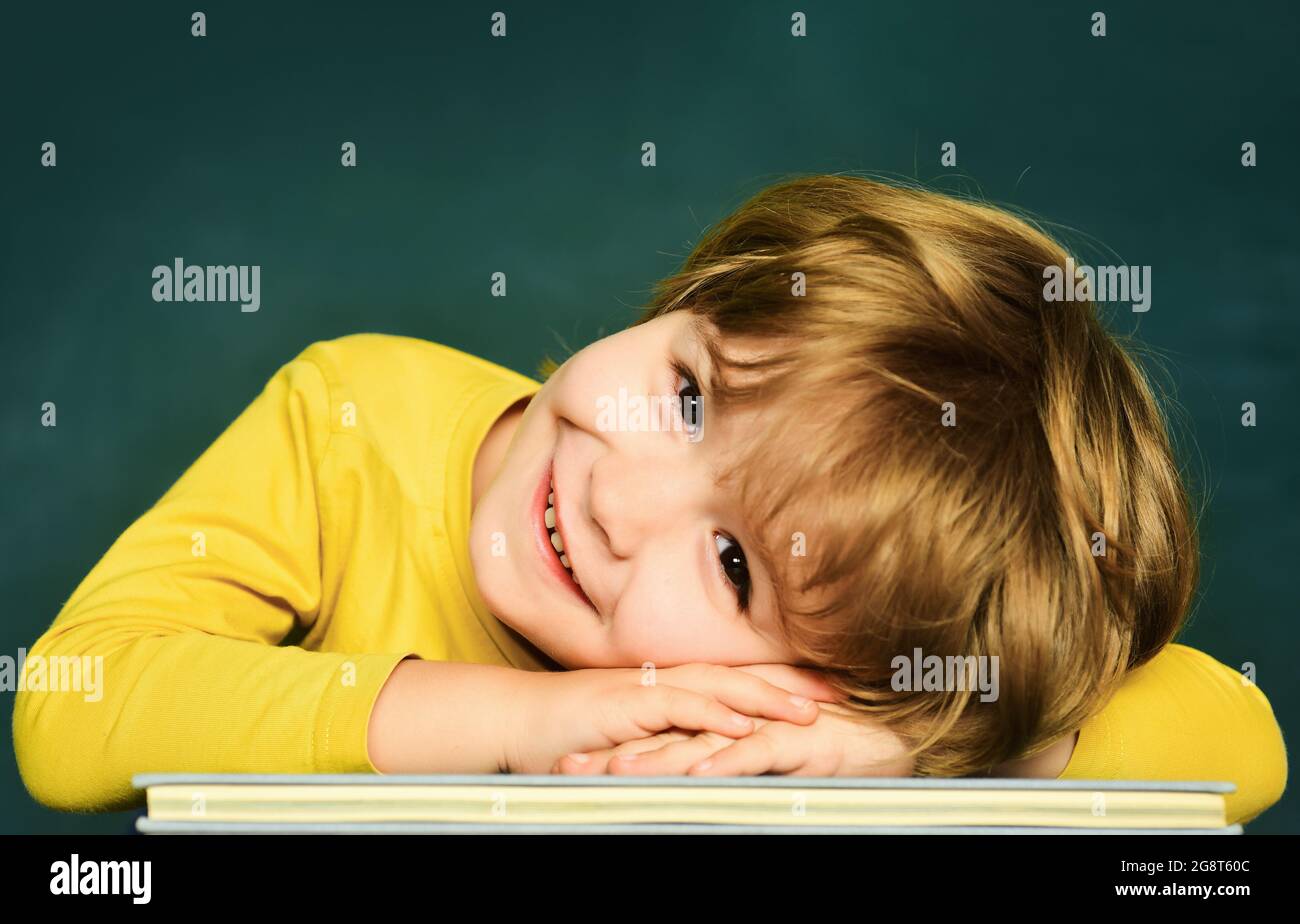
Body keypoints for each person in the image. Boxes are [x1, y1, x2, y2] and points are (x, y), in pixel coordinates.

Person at [14, 175, 1286, 827]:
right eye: (686, 397)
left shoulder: (837, 719)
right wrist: (525, 720)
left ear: (819, 679)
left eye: (734, 565)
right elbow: (76, 708)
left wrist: (910, 745)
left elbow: (1244, 742)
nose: (621, 495)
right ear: (695, 294)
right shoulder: (355, 416)